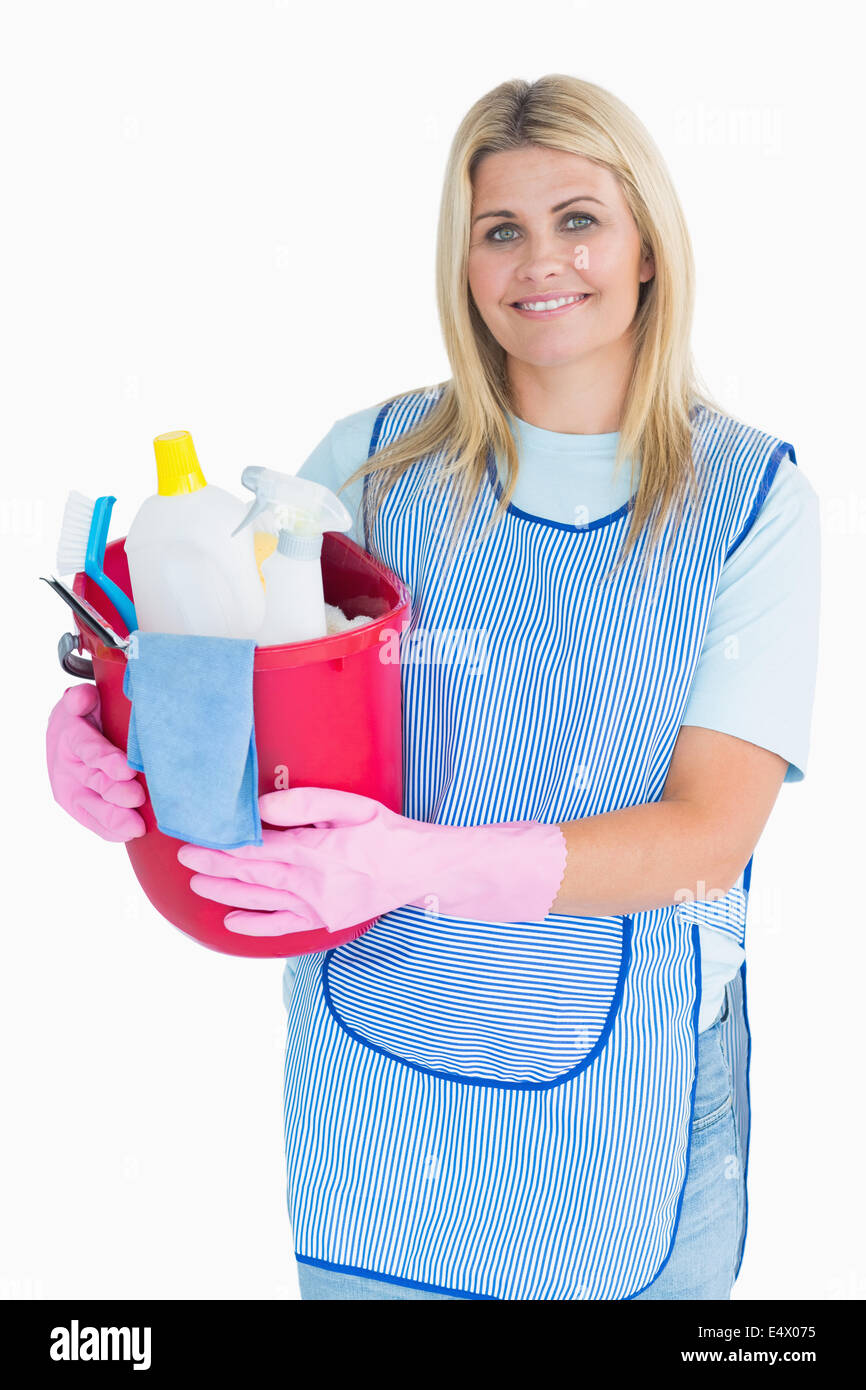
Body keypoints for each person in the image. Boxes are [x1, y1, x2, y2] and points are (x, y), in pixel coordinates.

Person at [46, 74, 820, 1301]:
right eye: (497, 230)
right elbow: (220, 666)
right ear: (460, 265)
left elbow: (708, 842)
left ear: (645, 248)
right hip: (381, 1068)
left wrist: (414, 865)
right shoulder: (368, 462)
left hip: (633, 1073)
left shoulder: (746, 500)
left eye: (578, 218)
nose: (538, 263)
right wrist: (94, 714)